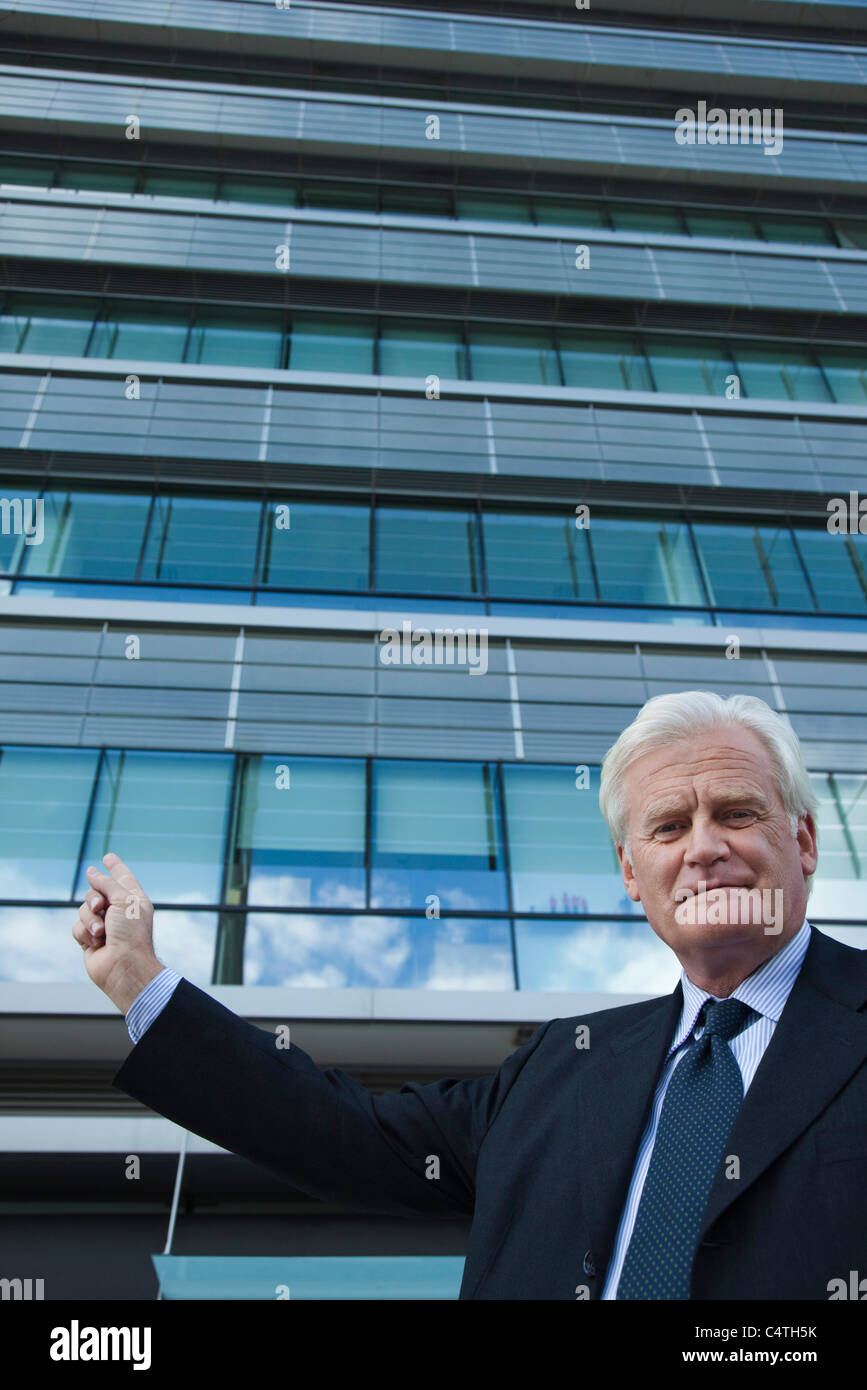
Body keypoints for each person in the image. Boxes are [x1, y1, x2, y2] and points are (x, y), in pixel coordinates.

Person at [73, 690, 867, 1299]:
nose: (702, 849)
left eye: (735, 813)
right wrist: (143, 987)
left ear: (802, 840)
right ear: (630, 874)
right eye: (666, 828)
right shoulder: (563, 1063)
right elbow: (347, 1135)